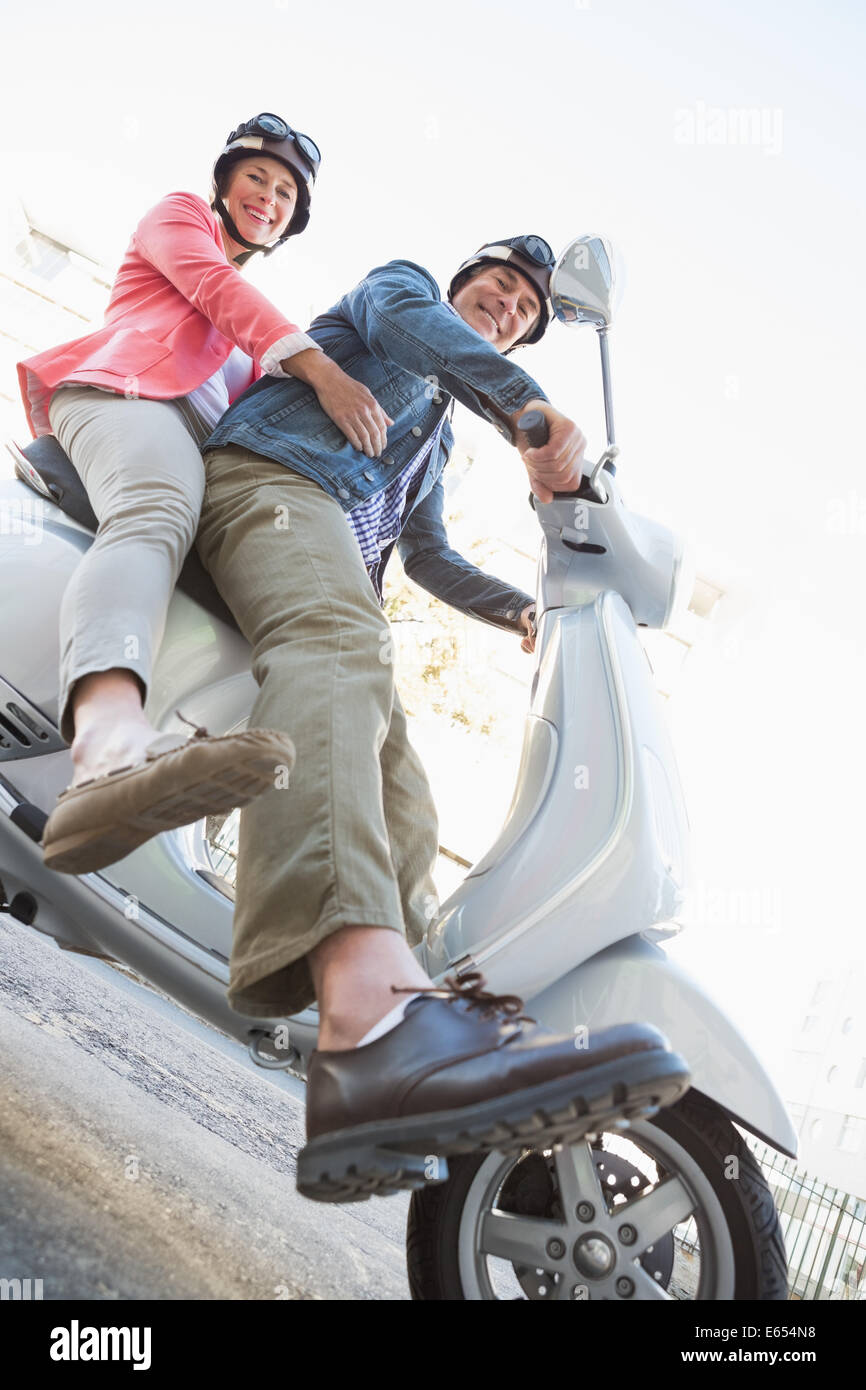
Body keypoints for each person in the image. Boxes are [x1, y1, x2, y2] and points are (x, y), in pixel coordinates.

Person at [193, 235, 690, 1201]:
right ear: (462, 281)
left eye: (519, 314)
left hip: (332, 559)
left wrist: (524, 608)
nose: (503, 309)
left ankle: (401, 1056)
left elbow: (424, 556)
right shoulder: (401, 296)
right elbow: (416, 331)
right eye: (496, 290)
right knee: (344, 647)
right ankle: (369, 1019)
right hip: (269, 490)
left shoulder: (437, 438)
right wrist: (527, 408)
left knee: (407, 796)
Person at [16, 113, 391, 874]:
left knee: (291, 615)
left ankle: (240, 838)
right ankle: (109, 744)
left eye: (287, 192)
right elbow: (218, 290)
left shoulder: (251, 359)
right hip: (124, 399)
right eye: (258, 177)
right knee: (158, 508)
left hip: (198, 449)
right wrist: (324, 370)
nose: (270, 197)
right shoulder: (179, 219)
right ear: (225, 183)